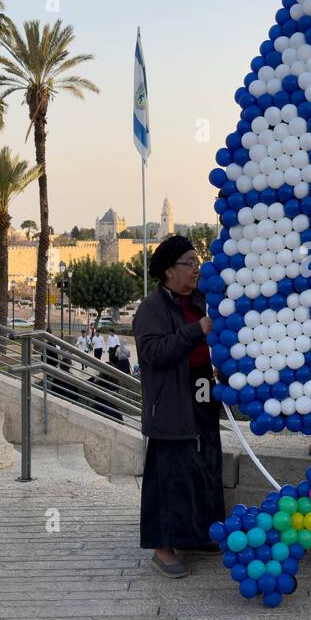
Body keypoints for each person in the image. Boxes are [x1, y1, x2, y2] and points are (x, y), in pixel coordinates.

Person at [133, 235, 225, 579]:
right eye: (189, 263)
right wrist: (195, 330)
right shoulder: (152, 309)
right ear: (169, 271)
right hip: (171, 405)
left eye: (196, 262)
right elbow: (154, 353)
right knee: (169, 477)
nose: (195, 269)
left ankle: (198, 533)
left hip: (202, 397)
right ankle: (163, 546)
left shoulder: (202, 300)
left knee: (204, 467)